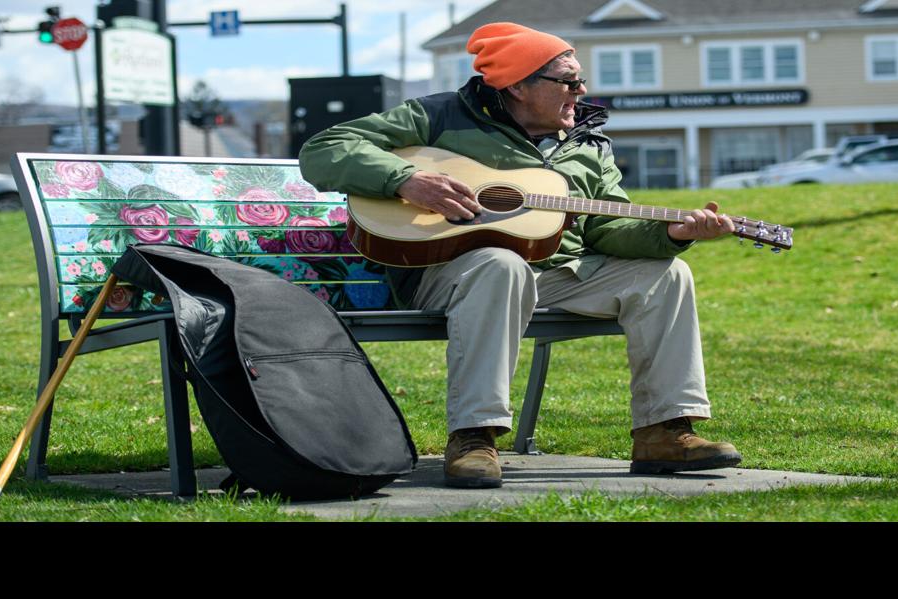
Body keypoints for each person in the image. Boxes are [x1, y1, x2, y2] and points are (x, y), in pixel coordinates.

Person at [299, 22, 742, 489]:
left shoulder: (588, 143)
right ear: (517, 86)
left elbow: (607, 227)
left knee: (668, 274)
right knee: (501, 264)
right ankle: (474, 436)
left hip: (556, 273)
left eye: (580, 80)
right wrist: (405, 180)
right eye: (567, 81)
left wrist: (670, 234)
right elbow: (324, 148)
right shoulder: (440, 115)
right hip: (450, 271)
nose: (581, 90)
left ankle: (664, 431)